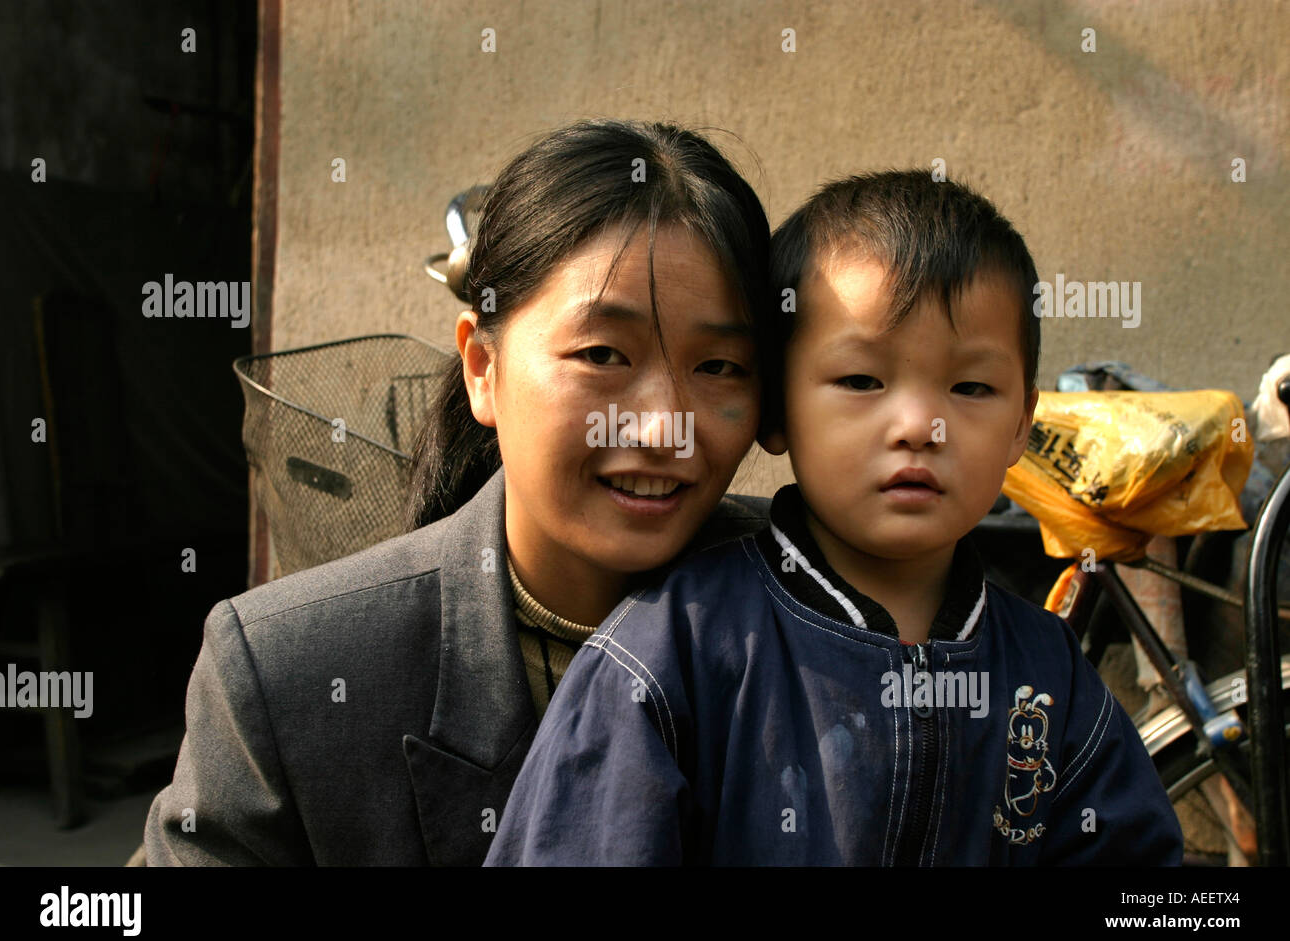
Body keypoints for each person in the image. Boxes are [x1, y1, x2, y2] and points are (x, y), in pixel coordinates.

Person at [485, 170, 1184, 865]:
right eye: (861, 381)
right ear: (777, 409)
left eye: (971, 387)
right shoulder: (675, 649)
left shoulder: (1048, 672)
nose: (918, 425)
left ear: (1020, 428)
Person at [143, 119, 776, 865]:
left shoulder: (830, 620)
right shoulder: (288, 678)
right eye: (603, 353)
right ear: (482, 366)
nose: (664, 425)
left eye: (721, 366)